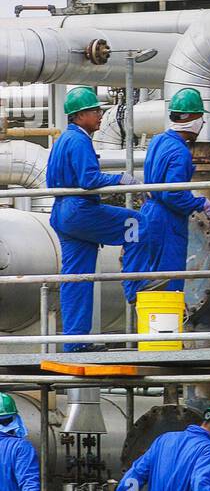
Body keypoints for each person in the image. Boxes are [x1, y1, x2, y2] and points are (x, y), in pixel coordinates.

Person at [46, 87, 141, 351]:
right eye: (95, 111)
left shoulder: (62, 140)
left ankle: (75, 342)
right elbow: (89, 180)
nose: (100, 115)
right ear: (79, 116)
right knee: (138, 224)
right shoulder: (79, 141)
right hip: (81, 211)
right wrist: (119, 178)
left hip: (62, 214)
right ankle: (135, 283)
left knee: (77, 276)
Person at [122, 87, 210, 304]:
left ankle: (152, 333)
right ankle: (166, 334)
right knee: (169, 283)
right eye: (201, 117)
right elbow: (173, 194)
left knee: (152, 278)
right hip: (168, 220)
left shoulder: (158, 141)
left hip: (150, 212)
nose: (202, 123)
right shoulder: (180, 152)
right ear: (192, 119)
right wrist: (201, 204)